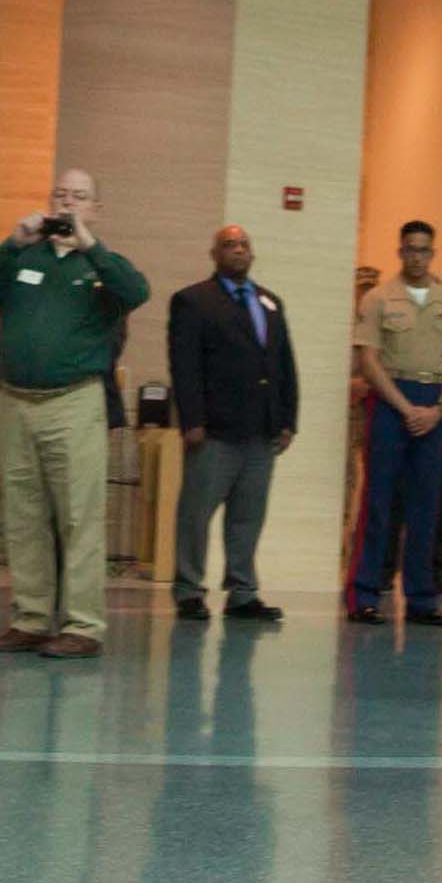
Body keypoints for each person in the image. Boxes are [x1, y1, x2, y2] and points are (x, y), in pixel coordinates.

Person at [0, 164, 144, 658]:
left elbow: (137, 292)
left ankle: (83, 625)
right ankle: (31, 618)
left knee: (79, 516)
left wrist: (91, 246)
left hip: (74, 403)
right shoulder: (25, 257)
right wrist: (12, 241)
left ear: (95, 208)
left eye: (79, 196)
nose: (67, 203)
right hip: (15, 401)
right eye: (61, 194)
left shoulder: (101, 265)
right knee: (22, 514)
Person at [163, 224, 300, 624]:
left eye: (244, 244)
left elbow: (284, 364)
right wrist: (191, 420)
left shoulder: (270, 302)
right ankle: (189, 591)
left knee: (247, 517)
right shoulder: (193, 301)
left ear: (252, 254)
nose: (238, 250)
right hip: (214, 431)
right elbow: (184, 366)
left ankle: (243, 593)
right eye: (229, 245)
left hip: (261, 431)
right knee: (196, 513)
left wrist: (287, 420)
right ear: (214, 254)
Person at [347, 220, 442, 627]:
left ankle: (421, 599)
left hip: (433, 404)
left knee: (425, 507)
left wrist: (439, 409)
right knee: (378, 503)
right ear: (400, 252)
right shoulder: (379, 299)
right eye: (410, 249)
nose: (417, 257)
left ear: (433, 253)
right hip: (390, 401)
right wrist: (403, 407)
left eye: (424, 250)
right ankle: (364, 595)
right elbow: (369, 360)